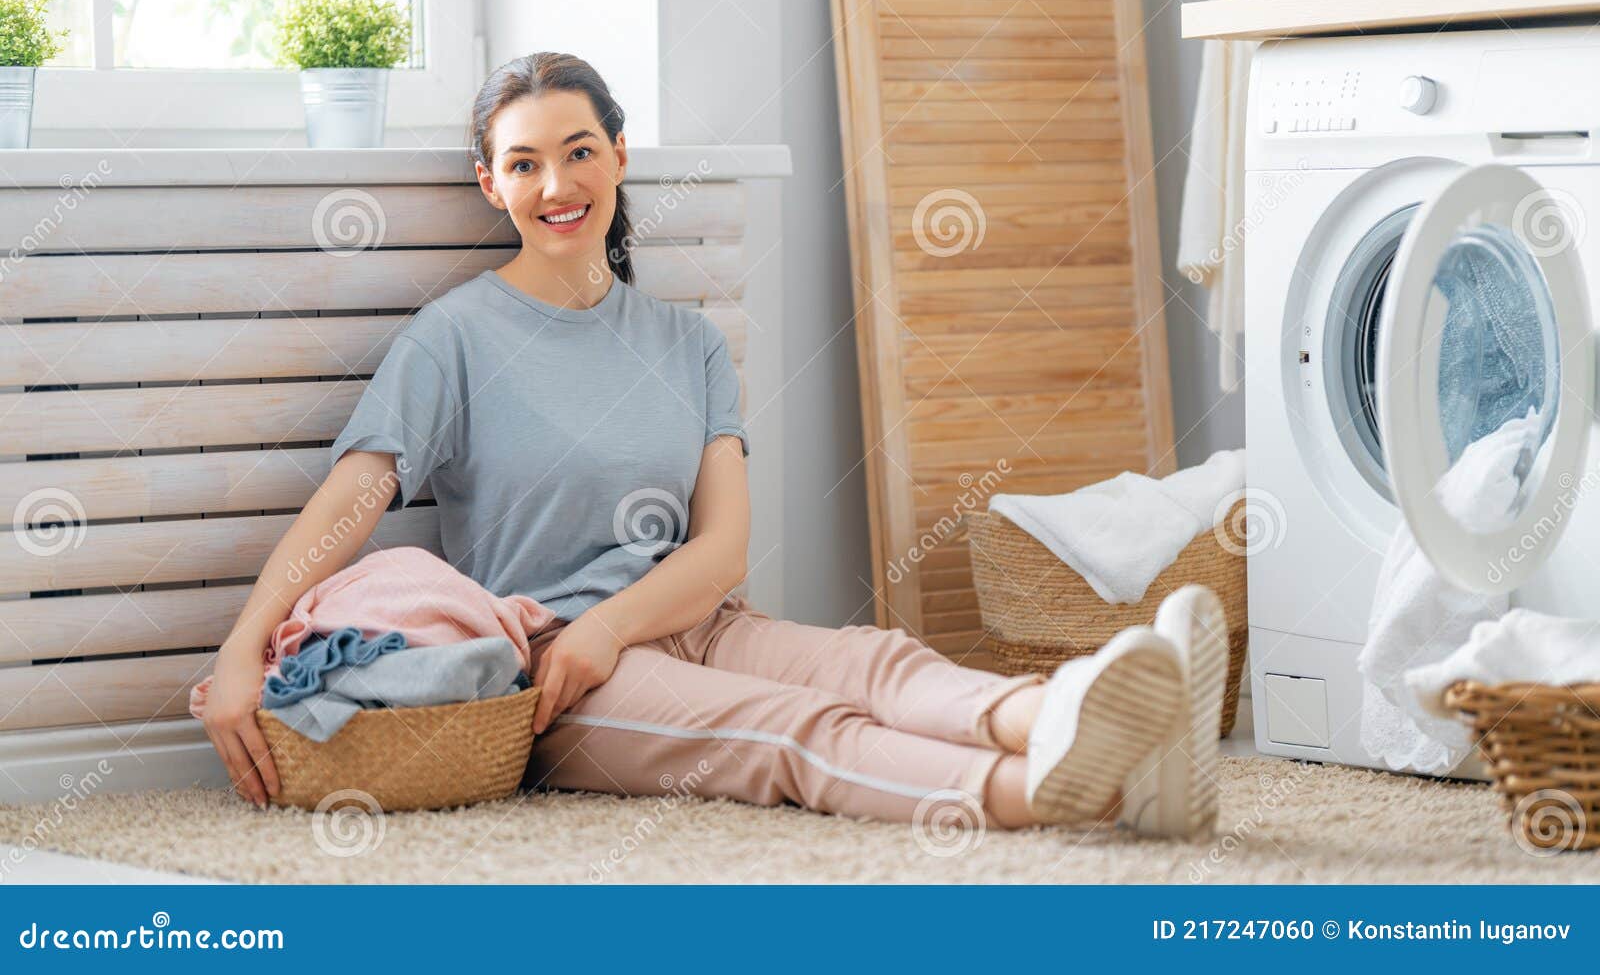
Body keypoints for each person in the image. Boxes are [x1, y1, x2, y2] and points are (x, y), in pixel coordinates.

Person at [201, 52, 1226, 838]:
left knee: (868, 660)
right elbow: (355, 492)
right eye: (524, 162)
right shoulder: (453, 337)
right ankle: (1050, 791)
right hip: (562, 672)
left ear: (618, 156)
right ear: (490, 184)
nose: (556, 181)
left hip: (699, 617)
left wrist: (625, 623)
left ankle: (1082, 713)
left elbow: (723, 548)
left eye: (577, 150)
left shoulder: (686, 342)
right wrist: (244, 648)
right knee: (792, 731)